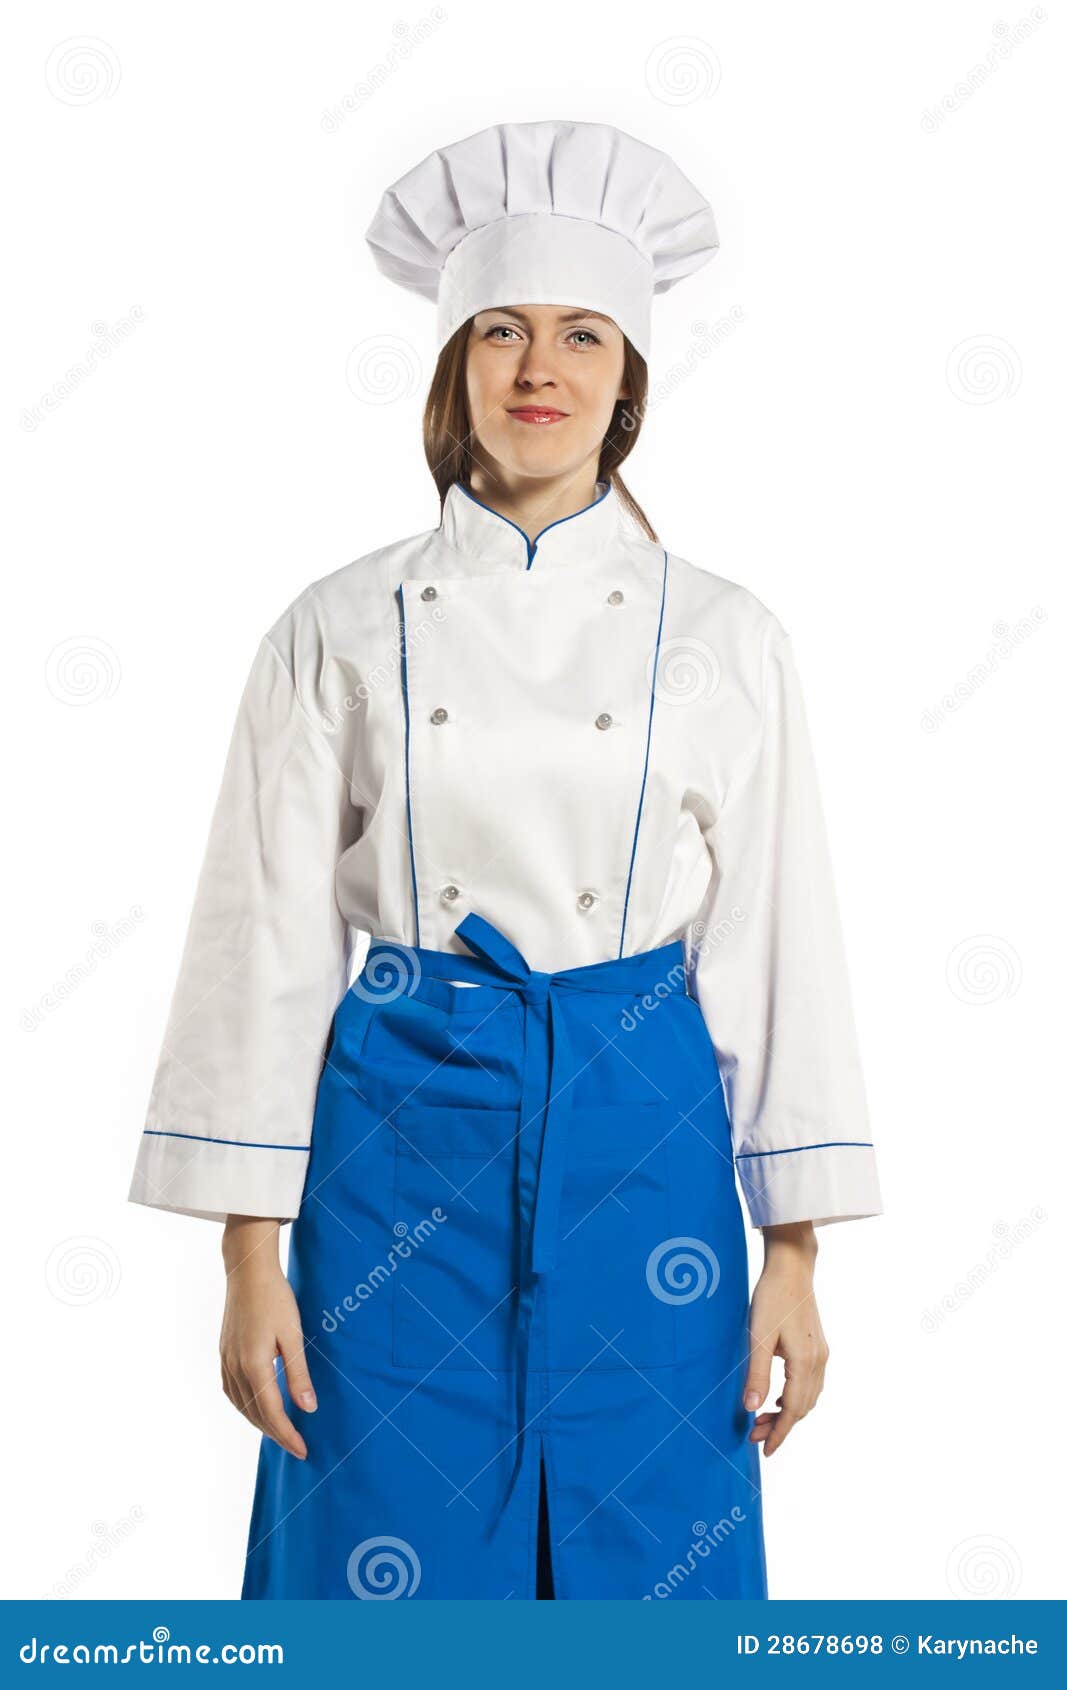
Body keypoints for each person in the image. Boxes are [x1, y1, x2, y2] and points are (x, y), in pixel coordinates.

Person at [129, 119, 883, 1601]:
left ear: (629, 380)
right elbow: (266, 938)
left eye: (581, 335)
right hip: (402, 1132)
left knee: (649, 1548)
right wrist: (246, 1252)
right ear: (455, 370)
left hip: (643, 1143)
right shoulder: (337, 627)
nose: (541, 369)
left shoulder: (724, 635)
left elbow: (779, 940)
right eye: (503, 332)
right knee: (376, 1558)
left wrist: (793, 1249)